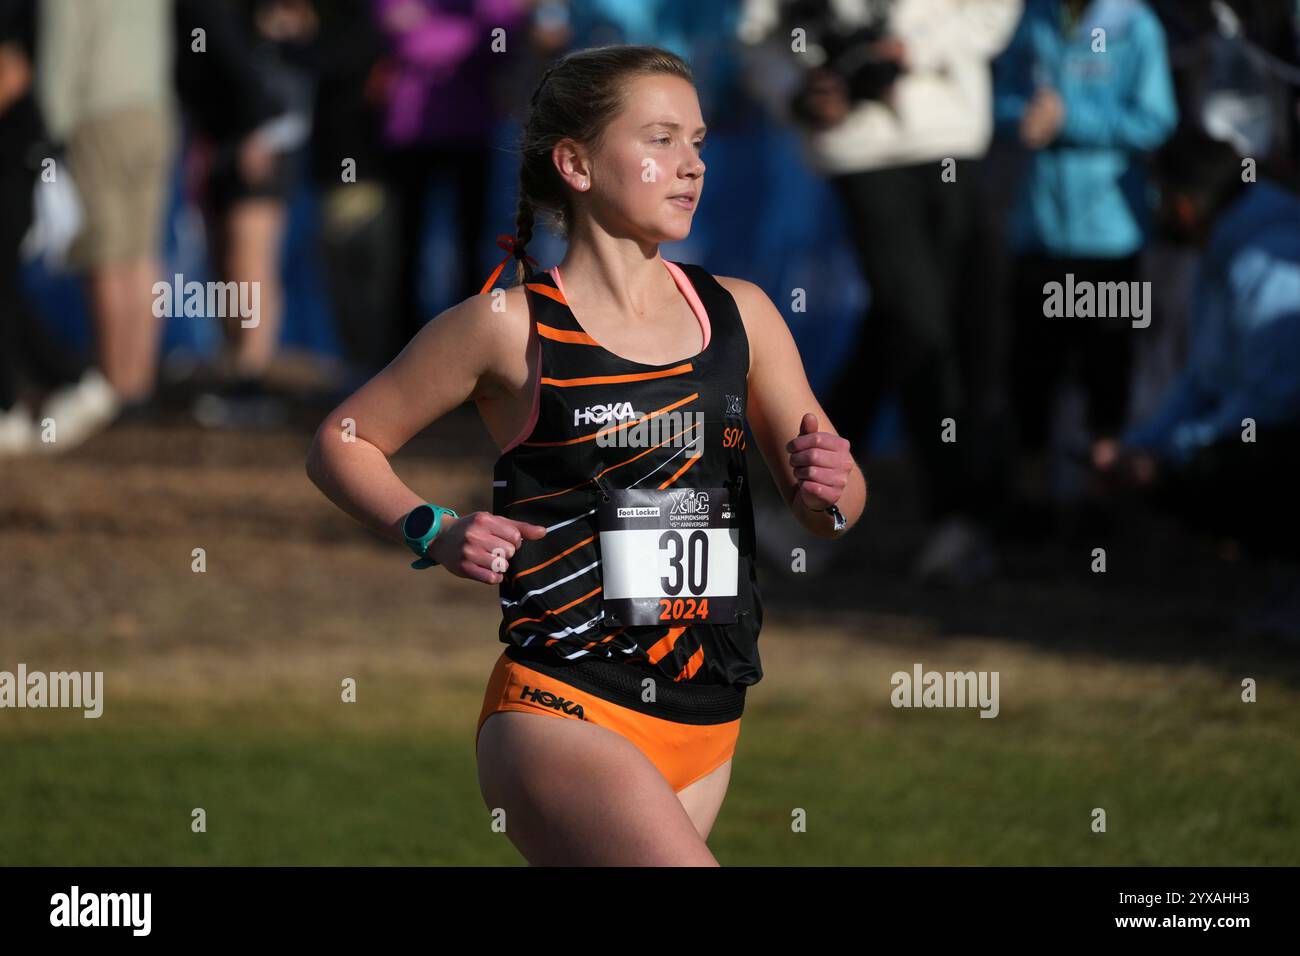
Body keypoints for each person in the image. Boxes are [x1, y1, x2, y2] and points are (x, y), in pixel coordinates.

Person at [306, 45, 867, 866]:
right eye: (662, 139)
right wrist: (430, 528)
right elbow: (340, 442)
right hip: (565, 705)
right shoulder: (508, 324)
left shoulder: (742, 314)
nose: (692, 166)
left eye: (699, 142)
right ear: (574, 162)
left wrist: (836, 486)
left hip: (709, 714)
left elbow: (829, 512)